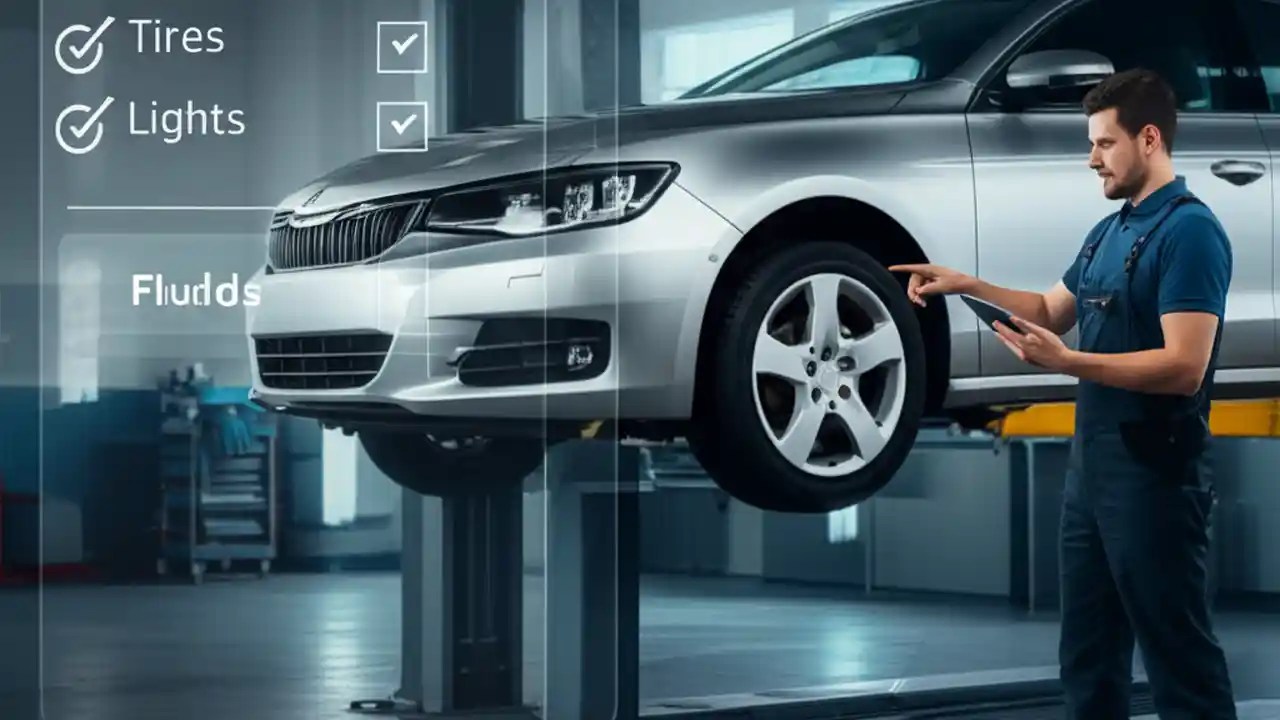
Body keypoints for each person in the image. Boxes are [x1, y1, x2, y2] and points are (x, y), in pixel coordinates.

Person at [889, 68, 1238, 719]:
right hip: (1092, 476)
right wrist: (966, 284)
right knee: (1088, 657)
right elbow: (1049, 311)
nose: (1091, 160)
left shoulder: (1191, 234)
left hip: (1156, 476)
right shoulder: (1108, 233)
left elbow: (1185, 366)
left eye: (1104, 144)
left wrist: (1073, 362)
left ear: (1150, 139)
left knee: (1178, 658)